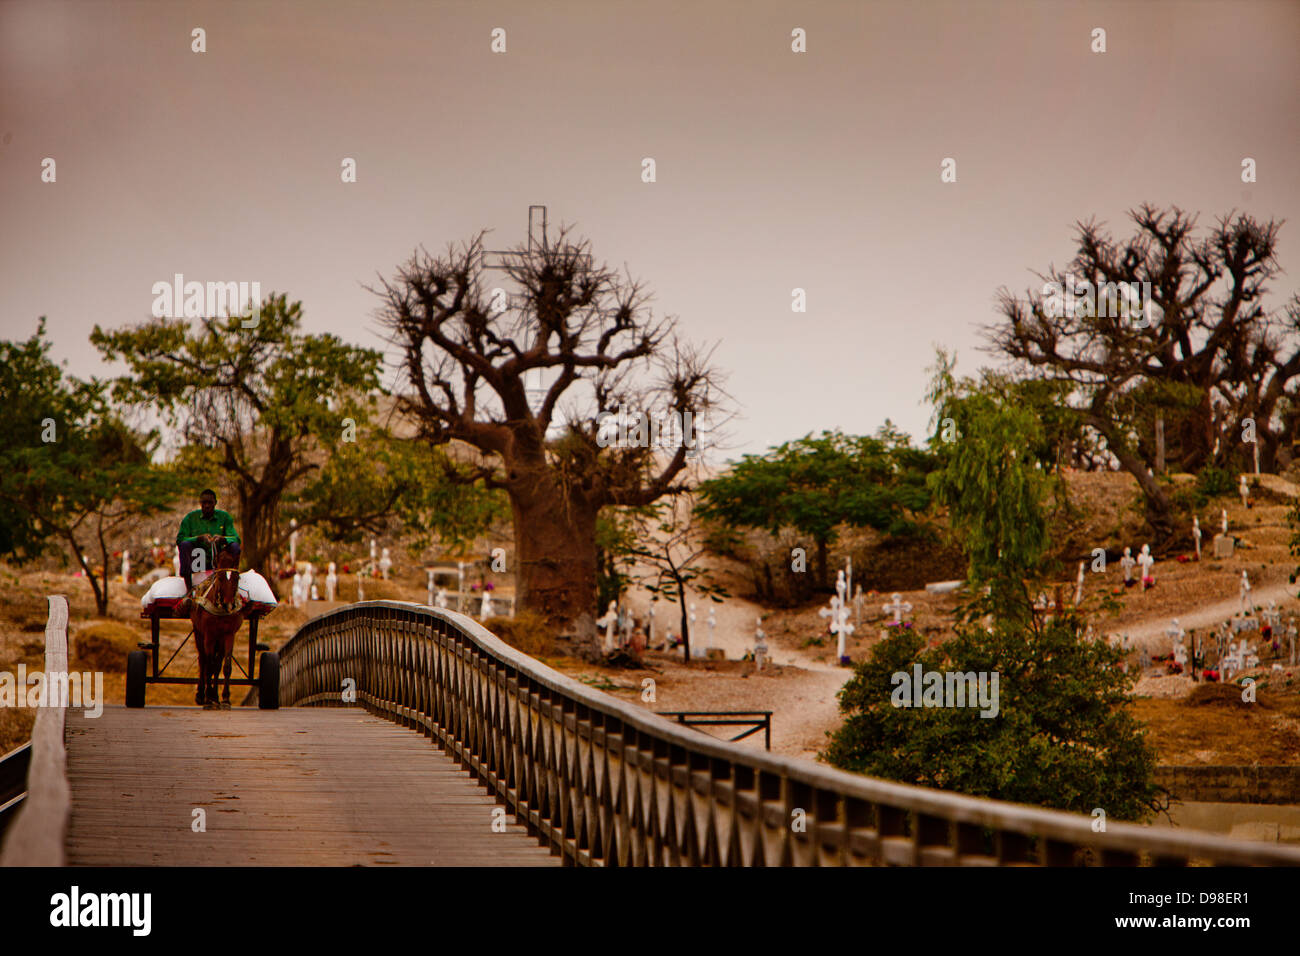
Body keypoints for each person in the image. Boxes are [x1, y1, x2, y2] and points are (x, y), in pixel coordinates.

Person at [177, 489, 241, 590]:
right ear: (200, 503)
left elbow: (236, 539)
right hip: (198, 560)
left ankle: (233, 582)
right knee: (184, 545)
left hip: (219, 561)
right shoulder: (190, 518)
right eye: (204, 503)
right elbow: (180, 539)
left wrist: (223, 539)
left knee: (235, 546)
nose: (207, 505)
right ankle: (189, 590)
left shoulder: (224, 517)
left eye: (210, 503)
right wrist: (198, 539)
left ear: (215, 503)